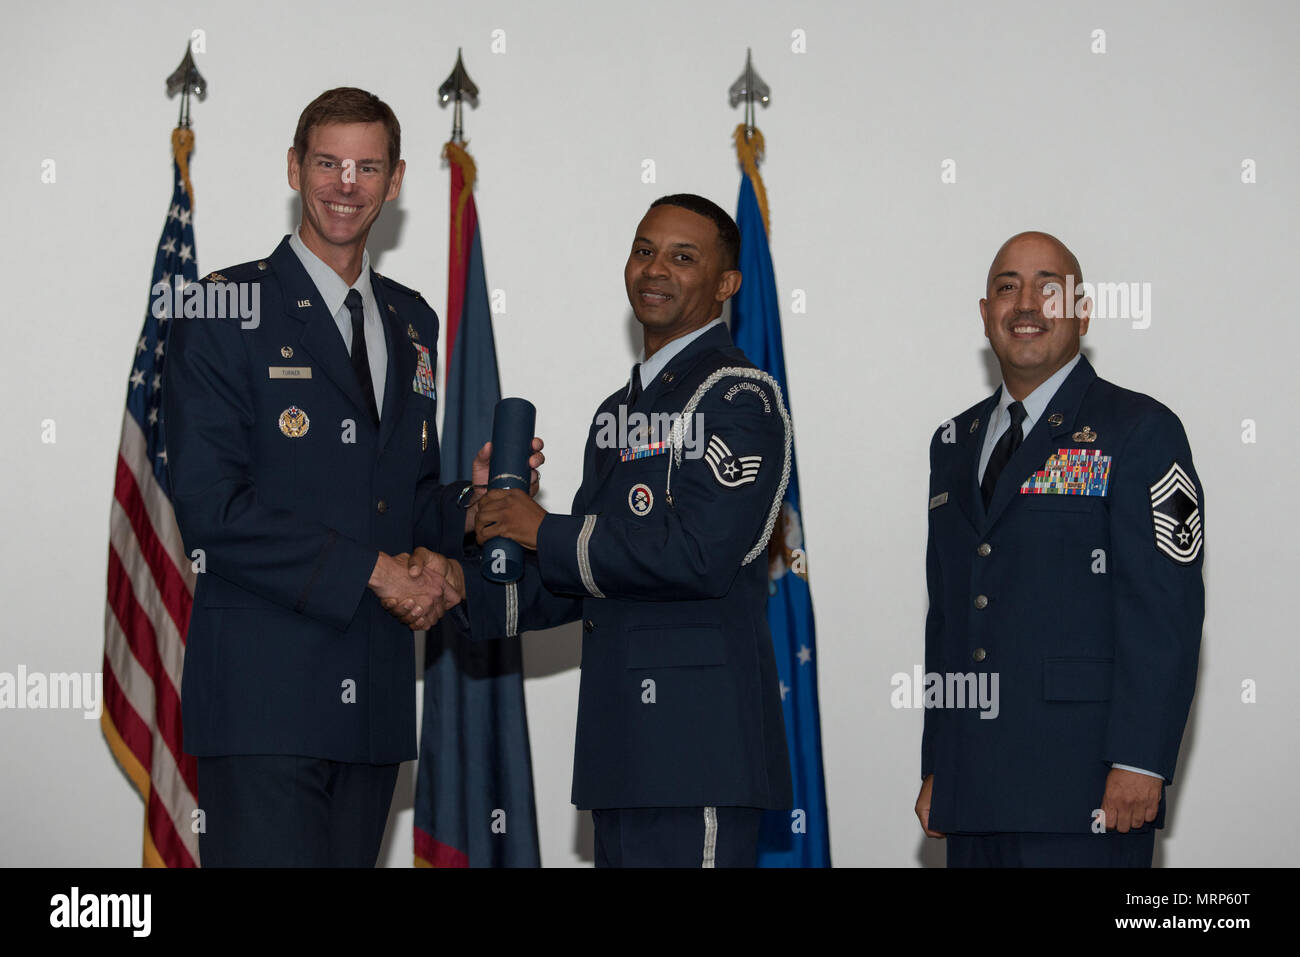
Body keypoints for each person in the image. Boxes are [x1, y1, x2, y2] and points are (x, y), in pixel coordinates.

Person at [162, 87, 540, 867]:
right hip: (264, 702)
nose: (346, 183)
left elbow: (402, 500)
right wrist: (376, 571)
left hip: (372, 697)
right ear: (294, 168)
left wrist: (472, 504)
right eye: (328, 163)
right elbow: (211, 509)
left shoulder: (412, 320)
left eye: (367, 167)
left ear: (394, 181)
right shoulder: (223, 308)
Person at [402, 195, 793, 867]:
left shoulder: (739, 398)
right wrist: (463, 580)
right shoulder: (619, 411)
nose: (655, 269)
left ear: (726, 284)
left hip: (695, 752)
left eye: (683, 257)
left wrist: (539, 527)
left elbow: (697, 557)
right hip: (621, 752)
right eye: (644, 250)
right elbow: (586, 577)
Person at [913, 231, 1204, 867]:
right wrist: (939, 763)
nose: (1026, 303)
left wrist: (1141, 761)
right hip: (973, 792)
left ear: (1082, 311)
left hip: (1086, 789)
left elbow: (1165, 613)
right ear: (985, 313)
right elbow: (949, 620)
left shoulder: (1139, 430)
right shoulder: (953, 442)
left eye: (1049, 287)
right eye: (1007, 287)